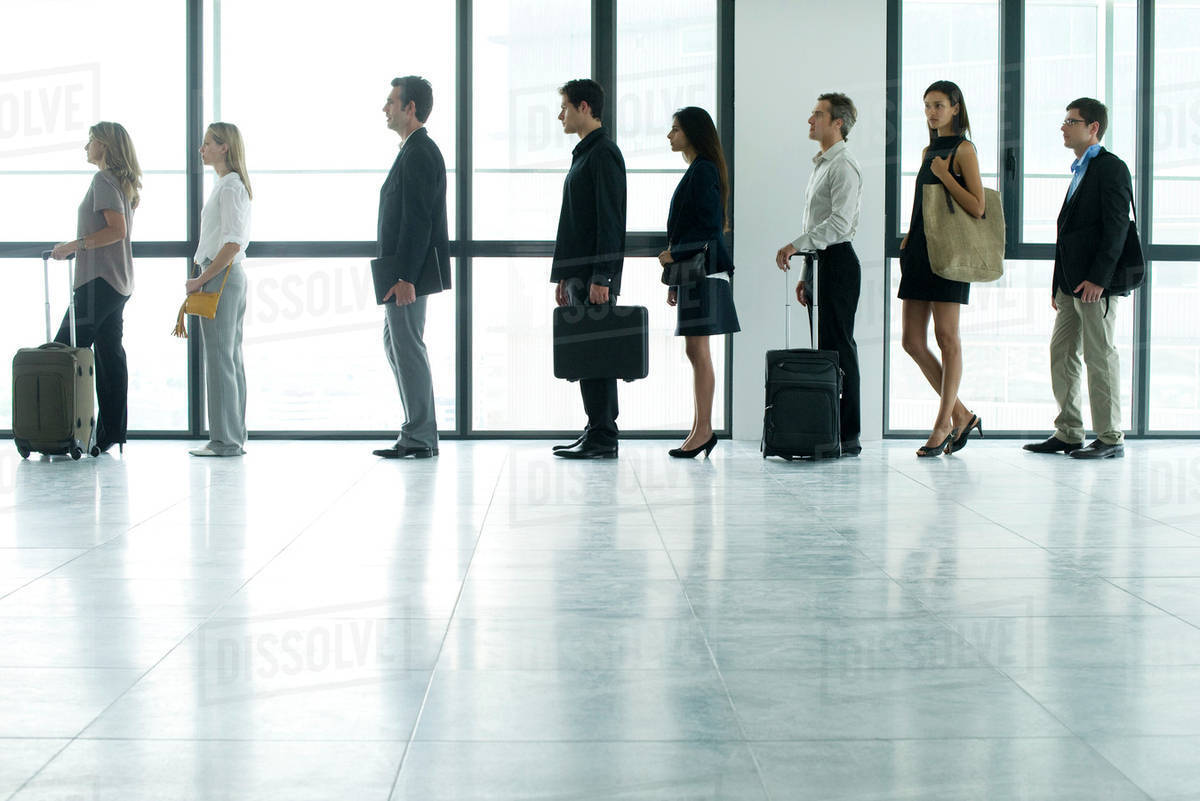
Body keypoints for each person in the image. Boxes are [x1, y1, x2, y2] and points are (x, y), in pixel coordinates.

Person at [1024, 98, 1132, 459]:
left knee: (1100, 356)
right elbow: (1067, 232)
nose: (1063, 127)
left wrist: (1100, 279)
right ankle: (1069, 431)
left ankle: (1110, 436)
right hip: (1070, 284)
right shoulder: (1080, 170)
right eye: (1065, 120)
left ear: (1093, 128)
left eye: (1071, 121)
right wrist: (1058, 283)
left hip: (1094, 284)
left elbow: (1117, 228)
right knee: (1062, 351)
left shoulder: (1110, 168)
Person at [897, 80, 986, 458]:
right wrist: (907, 239)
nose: (932, 113)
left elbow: (978, 206)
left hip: (949, 255)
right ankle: (961, 413)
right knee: (911, 341)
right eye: (927, 106)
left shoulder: (964, 149)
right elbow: (923, 205)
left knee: (946, 338)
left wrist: (946, 175)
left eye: (938, 105)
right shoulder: (927, 151)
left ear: (955, 108)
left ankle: (943, 422)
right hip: (919, 250)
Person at [774, 92, 864, 456]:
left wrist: (795, 246)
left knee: (840, 349)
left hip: (839, 262)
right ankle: (830, 429)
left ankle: (849, 434)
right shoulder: (823, 164)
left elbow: (839, 224)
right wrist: (806, 273)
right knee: (828, 349)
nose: (810, 121)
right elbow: (819, 222)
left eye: (817, 115)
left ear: (837, 122)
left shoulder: (843, 166)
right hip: (822, 263)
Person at [50, 122, 142, 456]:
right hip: (119, 282)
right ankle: (109, 434)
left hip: (99, 281)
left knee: (61, 353)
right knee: (108, 356)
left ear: (104, 145)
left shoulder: (103, 179)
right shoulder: (122, 182)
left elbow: (115, 231)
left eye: (90, 140)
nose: (85, 146)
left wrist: (73, 246)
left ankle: (55, 431)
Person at [371, 75, 451, 460]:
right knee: (396, 343)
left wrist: (406, 278)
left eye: (391, 102)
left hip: (407, 273)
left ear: (410, 107)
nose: (384, 108)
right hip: (400, 270)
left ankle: (419, 435)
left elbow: (418, 221)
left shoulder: (420, 152)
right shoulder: (411, 150)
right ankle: (416, 430)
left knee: (407, 346)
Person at [550, 78, 628, 460]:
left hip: (594, 275)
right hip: (579, 272)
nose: (560, 114)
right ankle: (595, 428)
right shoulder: (584, 153)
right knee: (587, 352)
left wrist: (602, 277)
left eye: (564, 106)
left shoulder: (603, 154)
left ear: (584, 107)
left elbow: (610, 222)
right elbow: (574, 222)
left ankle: (603, 435)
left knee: (596, 353)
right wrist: (564, 275)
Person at [660, 106, 739, 459]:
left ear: (692, 132)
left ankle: (704, 429)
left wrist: (674, 256)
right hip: (697, 273)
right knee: (695, 352)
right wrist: (676, 281)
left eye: (675, 129)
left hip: (704, 271)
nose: (670, 135)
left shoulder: (703, 170)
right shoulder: (699, 169)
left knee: (699, 352)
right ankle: (699, 428)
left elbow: (708, 227)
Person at [186, 122, 253, 457]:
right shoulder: (229, 185)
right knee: (229, 358)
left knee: (220, 359)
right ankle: (231, 437)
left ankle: (225, 440)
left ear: (224, 147)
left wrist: (200, 279)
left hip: (220, 276)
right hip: (227, 276)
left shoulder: (229, 187)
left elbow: (230, 244)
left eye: (208, 143)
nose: (202, 149)